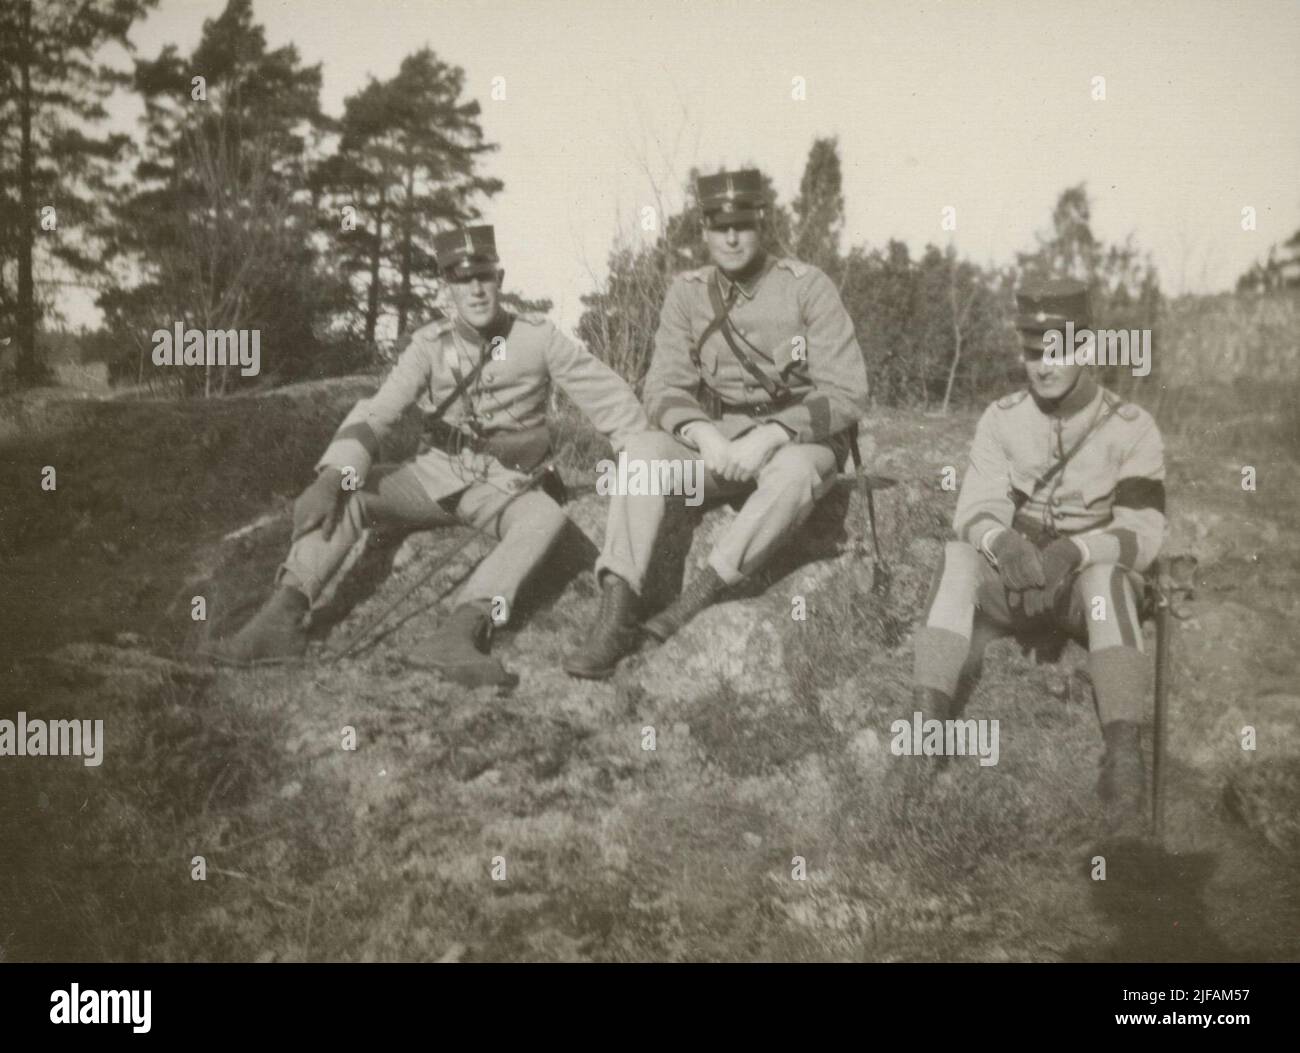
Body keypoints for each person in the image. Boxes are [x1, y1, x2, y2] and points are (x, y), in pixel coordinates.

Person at [215, 225, 647, 685]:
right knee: (352, 492)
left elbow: (608, 397)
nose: (476, 290)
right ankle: (281, 618)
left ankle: (458, 634)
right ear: (449, 286)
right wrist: (332, 476)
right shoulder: (430, 345)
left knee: (545, 519)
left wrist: (643, 454)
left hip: (505, 485)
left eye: (484, 277)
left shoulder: (538, 338)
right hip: (434, 475)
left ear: (499, 279)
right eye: (463, 280)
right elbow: (379, 412)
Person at [564, 169, 869, 680]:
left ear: (761, 224)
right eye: (718, 225)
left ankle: (697, 599)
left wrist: (772, 435)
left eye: (742, 224)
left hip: (799, 441)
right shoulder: (687, 293)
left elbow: (846, 391)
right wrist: (702, 435)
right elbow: (662, 387)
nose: (730, 237)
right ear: (704, 229)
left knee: (793, 475)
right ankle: (616, 614)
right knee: (642, 453)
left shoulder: (807, 287)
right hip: (720, 442)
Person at [911, 278, 1167, 830]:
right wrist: (1002, 542)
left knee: (1105, 583)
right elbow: (974, 509)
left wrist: (1076, 551)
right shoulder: (1001, 419)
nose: (1045, 364)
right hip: (1017, 581)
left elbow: (1143, 533)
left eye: (1062, 348)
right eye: (1034, 350)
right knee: (957, 559)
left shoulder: (1133, 427)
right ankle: (925, 739)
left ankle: (1124, 762)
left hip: (1085, 592)